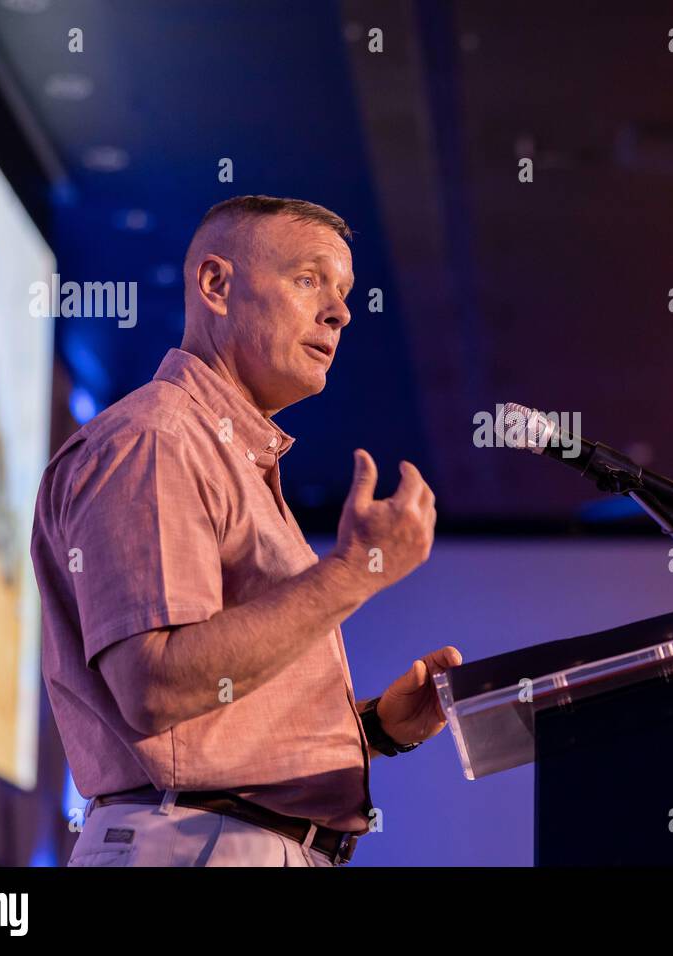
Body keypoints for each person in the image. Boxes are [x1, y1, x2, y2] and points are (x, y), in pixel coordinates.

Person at [31, 195, 458, 866]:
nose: (340, 312)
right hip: (194, 846)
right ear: (216, 285)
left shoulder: (227, 453)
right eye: (309, 279)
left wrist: (375, 728)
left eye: (344, 293)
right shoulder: (155, 440)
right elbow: (155, 689)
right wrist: (352, 573)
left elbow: (214, 720)